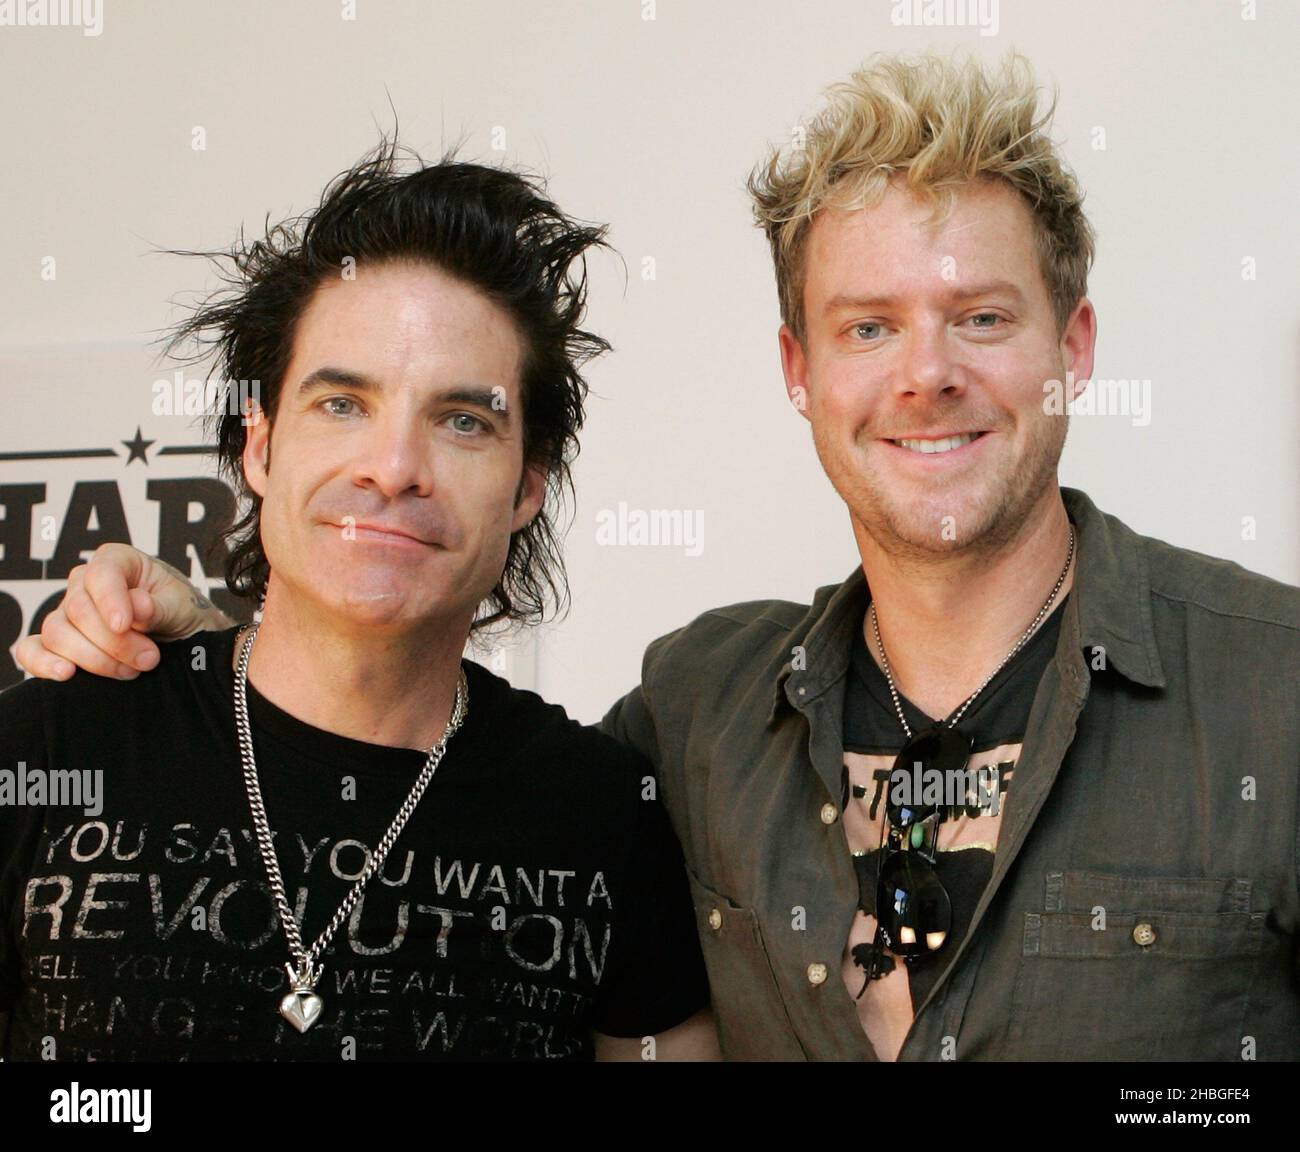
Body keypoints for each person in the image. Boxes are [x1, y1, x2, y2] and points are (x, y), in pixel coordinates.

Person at [14, 53, 1299, 1062]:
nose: (926, 374)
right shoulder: (700, 721)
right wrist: (193, 628)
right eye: (867, 326)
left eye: (980, 317)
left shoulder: (1273, 696)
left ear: (1071, 346)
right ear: (799, 369)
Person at [0, 139, 717, 1061]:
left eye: (463, 421)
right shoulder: (49, 749)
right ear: (260, 446)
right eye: (343, 404)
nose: (394, 468)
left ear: (526, 485)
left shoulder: (603, 818)